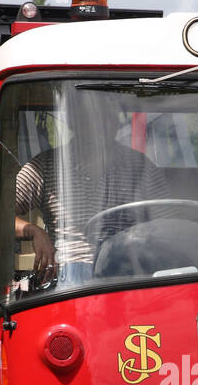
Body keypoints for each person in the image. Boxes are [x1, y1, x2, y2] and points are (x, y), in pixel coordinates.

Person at [13, 100, 170, 286]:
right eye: (94, 116)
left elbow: (169, 221)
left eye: (110, 115)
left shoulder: (139, 165)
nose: (104, 122)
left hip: (130, 268)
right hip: (72, 272)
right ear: (74, 121)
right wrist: (34, 231)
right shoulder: (46, 165)